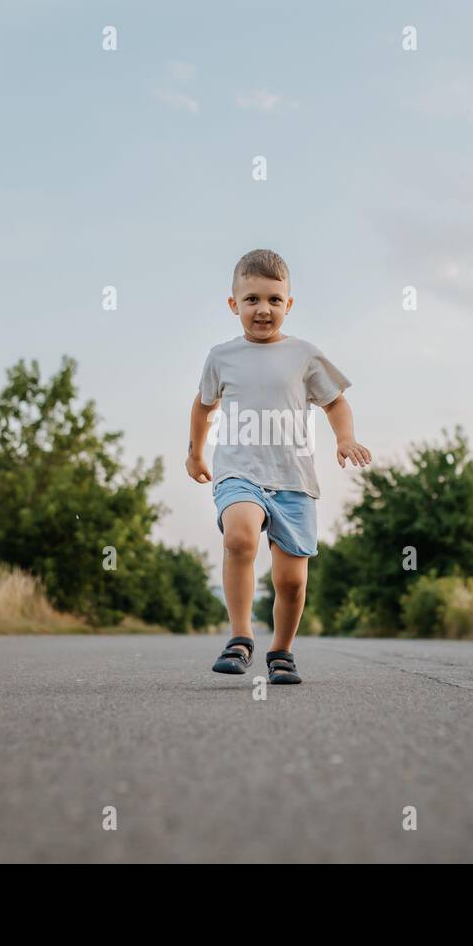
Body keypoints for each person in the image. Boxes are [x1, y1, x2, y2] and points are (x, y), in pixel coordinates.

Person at [186, 249, 372, 684]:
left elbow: (336, 401)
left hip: (293, 480)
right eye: (251, 299)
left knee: (291, 581)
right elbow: (203, 405)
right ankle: (240, 637)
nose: (263, 309)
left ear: (289, 304)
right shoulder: (221, 357)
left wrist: (344, 437)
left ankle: (281, 652)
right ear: (234, 305)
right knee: (240, 538)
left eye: (273, 299)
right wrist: (195, 451)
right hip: (239, 472)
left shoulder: (304, 355)